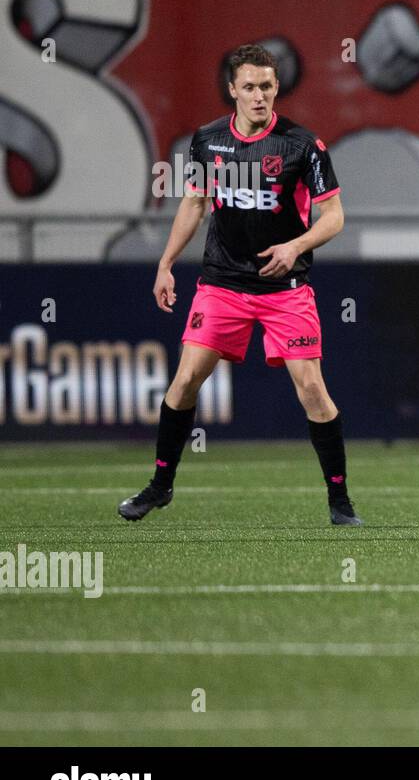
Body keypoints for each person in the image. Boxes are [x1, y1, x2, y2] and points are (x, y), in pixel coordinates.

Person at [117, 44, 361, 527]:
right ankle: (160, 486)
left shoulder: (301, 145)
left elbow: (333, 216)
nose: (258, 96)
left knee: (312, 388)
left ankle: (339, 499)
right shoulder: (207, 140)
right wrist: (166, 263)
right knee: (185, 381)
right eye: (248, 87)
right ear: (232, 90)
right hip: (222, 284)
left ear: (277, 89)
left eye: (267, 86)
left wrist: (295, 246)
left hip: (285, 287)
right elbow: (193, 204)